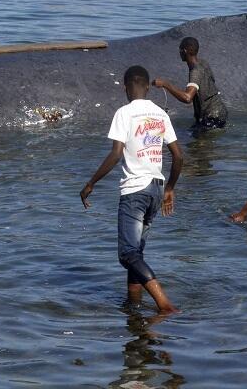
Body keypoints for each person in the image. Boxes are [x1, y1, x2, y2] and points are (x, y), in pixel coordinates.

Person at [80, 65, 185, 316]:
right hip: (156, 189)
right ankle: (134, 306)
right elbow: (179, 156)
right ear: (148, 87)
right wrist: (170, 188)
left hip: (135, 190)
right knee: (136, 254)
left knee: (127, 254)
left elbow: (116, 154)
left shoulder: (124, 113)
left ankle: (165, 305)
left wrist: (91, 183)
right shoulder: (160, 113)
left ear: (126, 87)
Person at [152, 37, 228, 133]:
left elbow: (187, 98)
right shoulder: (203, 63)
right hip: (219, 111)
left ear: (184, 51)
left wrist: (165, 84)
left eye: (180, 50)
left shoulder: (195, 72)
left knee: (196, 142)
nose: (179, 53)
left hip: (212, 117)